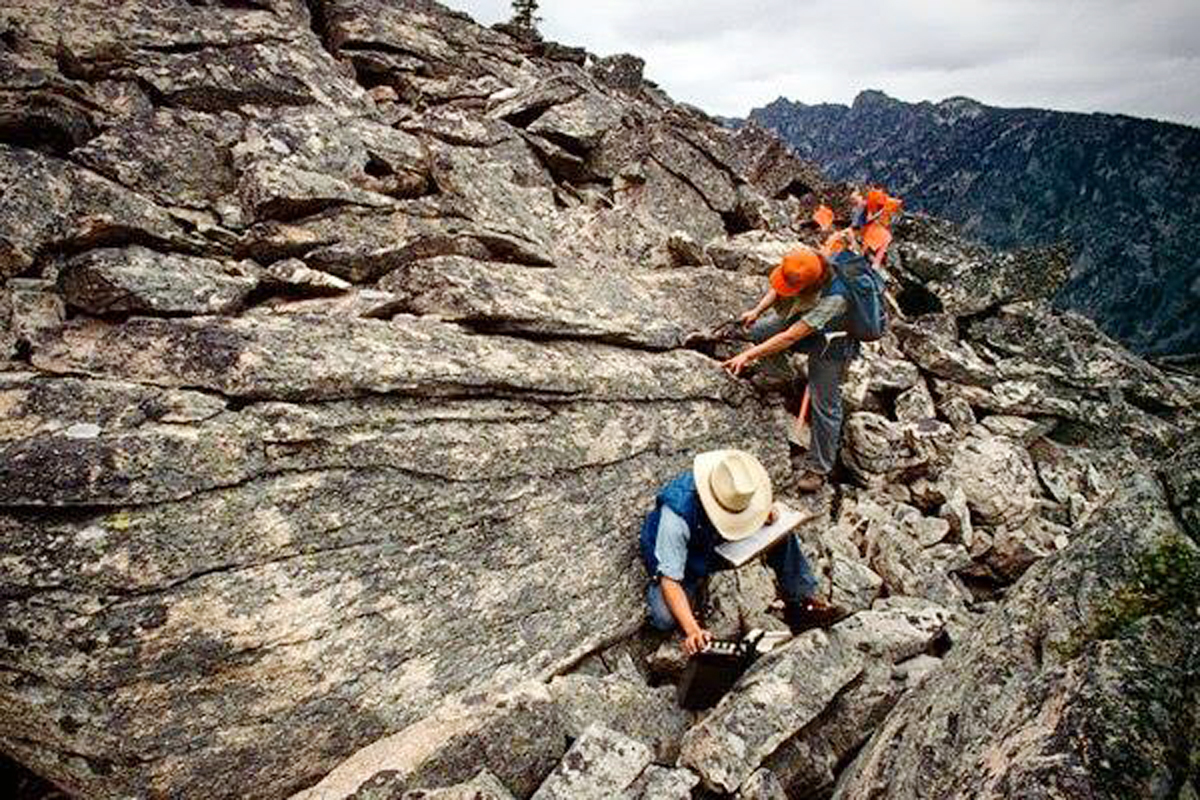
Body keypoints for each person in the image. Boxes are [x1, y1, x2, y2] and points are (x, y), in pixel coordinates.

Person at [640, 449, 832, 654]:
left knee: (780, 534)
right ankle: (694, 593)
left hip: (715, 541)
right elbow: (670, 581)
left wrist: (760, 515)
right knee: (664, 617)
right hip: (688, 558)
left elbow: (760, 506)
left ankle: (800, 600)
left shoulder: (735, 483)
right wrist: (693, 630)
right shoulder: (676, 518)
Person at [724, 247, 860, 492]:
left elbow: (789, 337)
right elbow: (779, 287)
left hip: (833, 342)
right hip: (805, 318)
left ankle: (818, 469)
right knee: (759, 331)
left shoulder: (836, 298)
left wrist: (747, 355)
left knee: (824, 403)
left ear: (810, 285)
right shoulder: (807, 262)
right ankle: (783, 377)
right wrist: (757, 311)